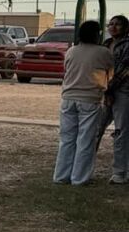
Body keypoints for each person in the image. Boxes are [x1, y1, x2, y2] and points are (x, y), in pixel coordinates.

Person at [53, 20, 112, 187]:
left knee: (67, 139)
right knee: (85, 140)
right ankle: (79, 178)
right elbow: (111, 72)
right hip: (90, 98)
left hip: (68, 97)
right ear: (97, 34)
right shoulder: (103, 52)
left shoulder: (71, 51)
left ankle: (61, 175)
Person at [106, 15, 129, 186]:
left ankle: (119, 172)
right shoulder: (106, 44)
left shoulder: (127, 44)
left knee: (121, 132)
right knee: (95, 128)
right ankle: (83, 168)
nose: (113, 27)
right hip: (106, 91)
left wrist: (110, 88)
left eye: (118, 24)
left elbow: (124, 70)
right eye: (111, 24)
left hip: (122, 92)